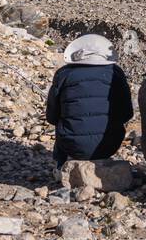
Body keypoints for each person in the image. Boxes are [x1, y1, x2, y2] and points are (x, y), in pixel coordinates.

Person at [45, 33, 134, 169]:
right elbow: (127, 113)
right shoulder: (116, 73)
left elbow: (52, 116)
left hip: (72, 146)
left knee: (61, 121)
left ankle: (60, 165)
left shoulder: (64, 74)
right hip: (109, 145)